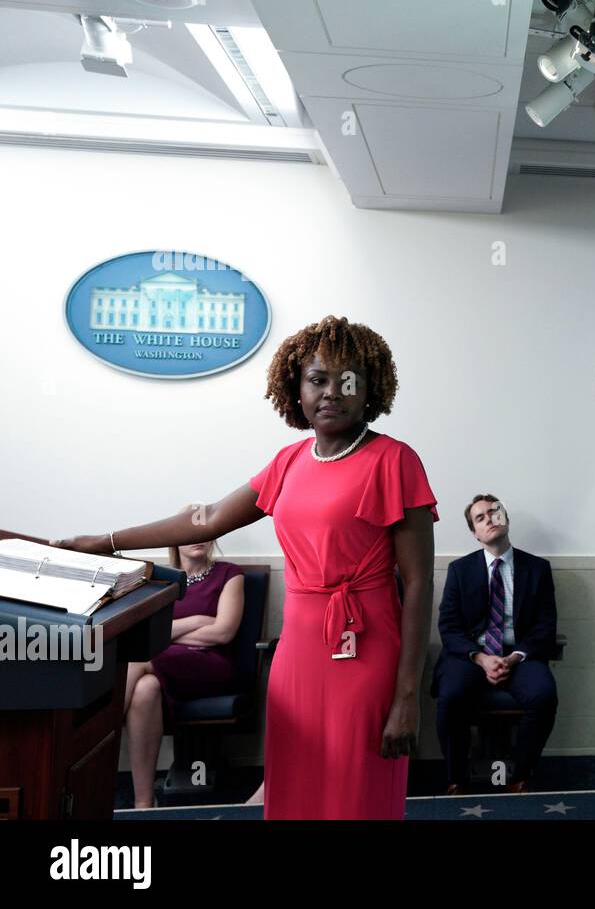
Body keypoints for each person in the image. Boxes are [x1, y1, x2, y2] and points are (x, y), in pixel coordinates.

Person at [54, 315, 437, 818]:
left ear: (369, 388)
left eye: (347, 380)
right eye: (317, 379)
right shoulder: (288, 462)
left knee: (354, 787)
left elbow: (418, 582)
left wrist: (407, 696)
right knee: (295, 785)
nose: (331, 392)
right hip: (298, 653)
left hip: (364, 651)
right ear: (295, 389)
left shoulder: (394, 460)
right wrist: (105, 542)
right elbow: (205, 518)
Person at [433, 495, 557, 794]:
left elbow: (545, 625)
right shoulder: (460, 570)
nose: (489, 518)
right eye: (480, 517)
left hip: (519, 656)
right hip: (471, 657)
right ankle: (457, 779)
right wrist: (480, 658)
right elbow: (449, 627)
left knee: (544, 695)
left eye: (494, 512)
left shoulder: (537, 568)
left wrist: (513, 657)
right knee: (449, 696)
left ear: (506, 519)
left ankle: (519, 776)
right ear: (475, 533)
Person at [121, 531, 244, 808]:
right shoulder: (162, 580)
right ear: (174, 540)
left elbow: (223, 633)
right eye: (190, 533)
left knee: (139, 658)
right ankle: (144, 803)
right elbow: (148, 632)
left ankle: (101, 730)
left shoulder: (230, 574)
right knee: (144, 690)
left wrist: (168, 635)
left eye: (206, 533)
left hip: (212, 664)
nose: (198, 538)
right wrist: (198, 621)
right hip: (165, 663)